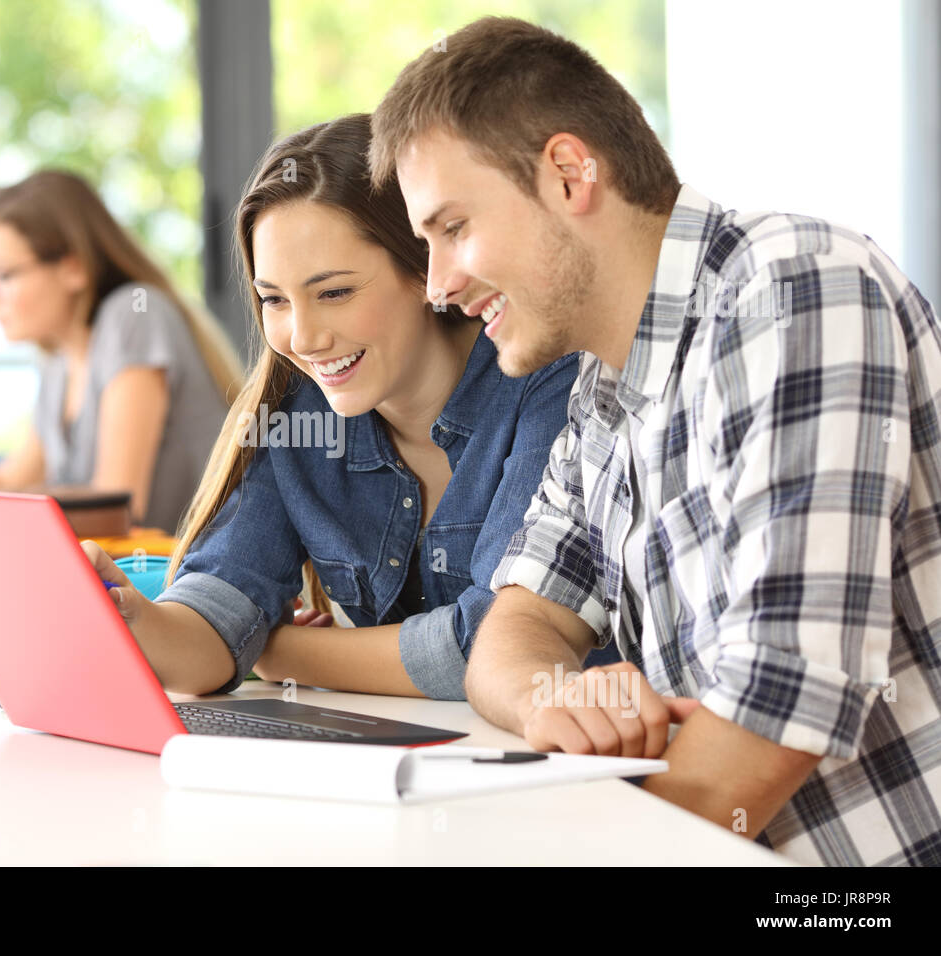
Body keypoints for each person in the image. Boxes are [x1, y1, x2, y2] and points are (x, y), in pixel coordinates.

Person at [369, 15, 941, 866]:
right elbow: (513, 625)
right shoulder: (602, 394)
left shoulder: (792, 292)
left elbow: (778, 706)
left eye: (452, 229)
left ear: (568, 174)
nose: (440, 286)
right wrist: (553, 698)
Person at [80, 113, 581, 700]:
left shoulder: (547, 386)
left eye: (334, 292)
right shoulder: (298, 413)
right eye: (274, 300)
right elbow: (210, 626)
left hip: (579, 765)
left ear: (425, 269)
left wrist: (279, 650)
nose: (304, 337)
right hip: (419, 765)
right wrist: (129, 615)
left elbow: (491, 649)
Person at [0, 169, 243, 532]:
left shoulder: (133, 315)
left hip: (188, 579)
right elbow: (9, 480)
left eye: (2, 276)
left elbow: (116, 505)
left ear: (73, 268)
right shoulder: (59, 362)